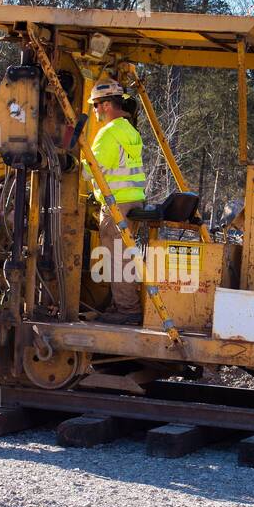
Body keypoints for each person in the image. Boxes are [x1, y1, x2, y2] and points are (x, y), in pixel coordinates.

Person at [85, 80, 147, 324]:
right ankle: (120, 305)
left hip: (116, 205)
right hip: (132, 202)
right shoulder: (129, 130)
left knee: (116, 258)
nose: (94, 110)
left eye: (96, 105)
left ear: (108, 105)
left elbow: (92, 169)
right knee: (124, 256)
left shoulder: (108, 133)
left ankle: (127, 310)